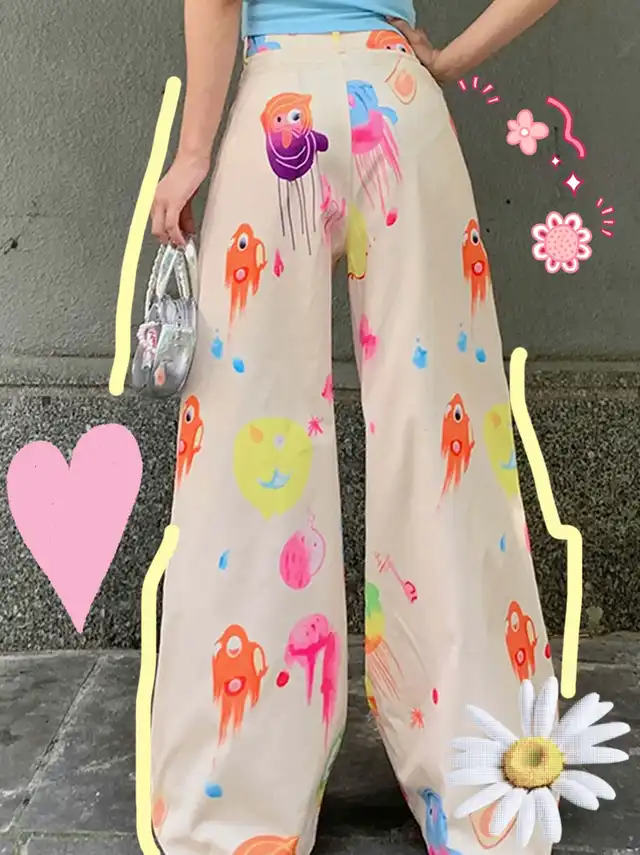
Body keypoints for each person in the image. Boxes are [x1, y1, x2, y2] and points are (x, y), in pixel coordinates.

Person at [149, 1, 561, 854]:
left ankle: (237, 808)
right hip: (400, 104)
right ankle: (482, 791)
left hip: (278, 111)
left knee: (250, 447)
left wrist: (192, 154)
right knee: (443, 438)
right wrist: (450, 59)